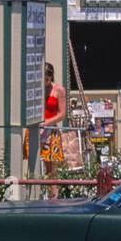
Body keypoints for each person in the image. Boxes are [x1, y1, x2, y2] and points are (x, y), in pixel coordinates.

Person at [41, 63, 67, 197]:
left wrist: (46, 123)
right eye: (42, 79)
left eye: (47, 79)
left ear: (51, 77)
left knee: (52, 168)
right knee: (38, 165)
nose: (45, 82)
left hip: (50, 130)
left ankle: (54, 197)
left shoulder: (59, 90)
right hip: (37, 130)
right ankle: (38, 194)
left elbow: (62, 114)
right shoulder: (36, 89)